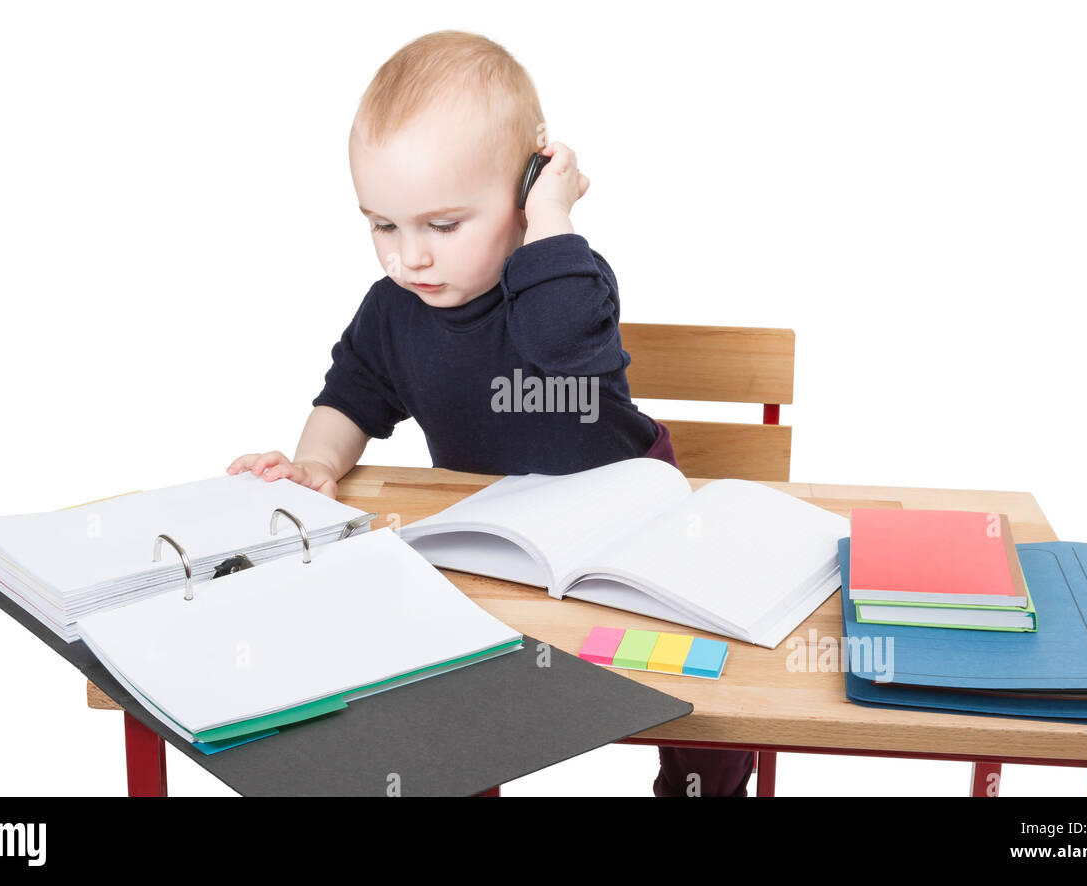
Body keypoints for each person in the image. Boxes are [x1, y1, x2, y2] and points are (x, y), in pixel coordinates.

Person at [228, 29, 751, 797]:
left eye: (442, 226)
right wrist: (317, 462)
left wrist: (550, 216)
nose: (409, 258)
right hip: (497, 539)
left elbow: (562, 342)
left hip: (634, 522)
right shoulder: (392, 312)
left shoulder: (561, 277)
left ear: (527, 188)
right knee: (445, 689)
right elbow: (350, 396)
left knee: (703, 694)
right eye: (383, 224)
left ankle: (703, 782)